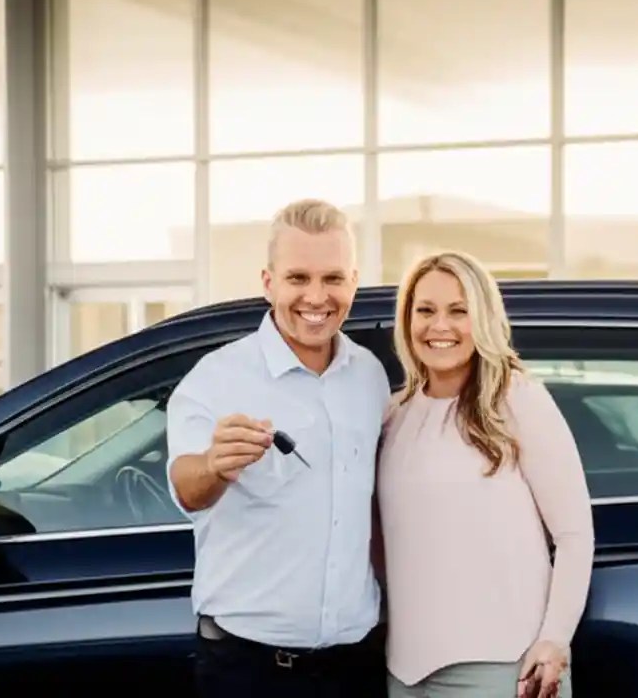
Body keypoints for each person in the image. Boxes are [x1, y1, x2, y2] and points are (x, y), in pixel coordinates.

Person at [165, 199, 391, 697]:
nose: (317, 296)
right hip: (250, 671)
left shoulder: (370, 378)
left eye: (333, 278)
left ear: (353, 281)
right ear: (268, 283)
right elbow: (187, 488)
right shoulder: (217, 378)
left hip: (356, 667)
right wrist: (213, 465)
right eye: (298, 278)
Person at [376, 250, 595, 698]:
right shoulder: (395, 414)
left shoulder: (518, 399)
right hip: (405, 671)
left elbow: (574, 535)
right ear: (407, 319)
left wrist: (554, 640)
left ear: (485, 318)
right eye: (426, 310)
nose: (440, 326)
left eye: (460, 311)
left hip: (503, 667)